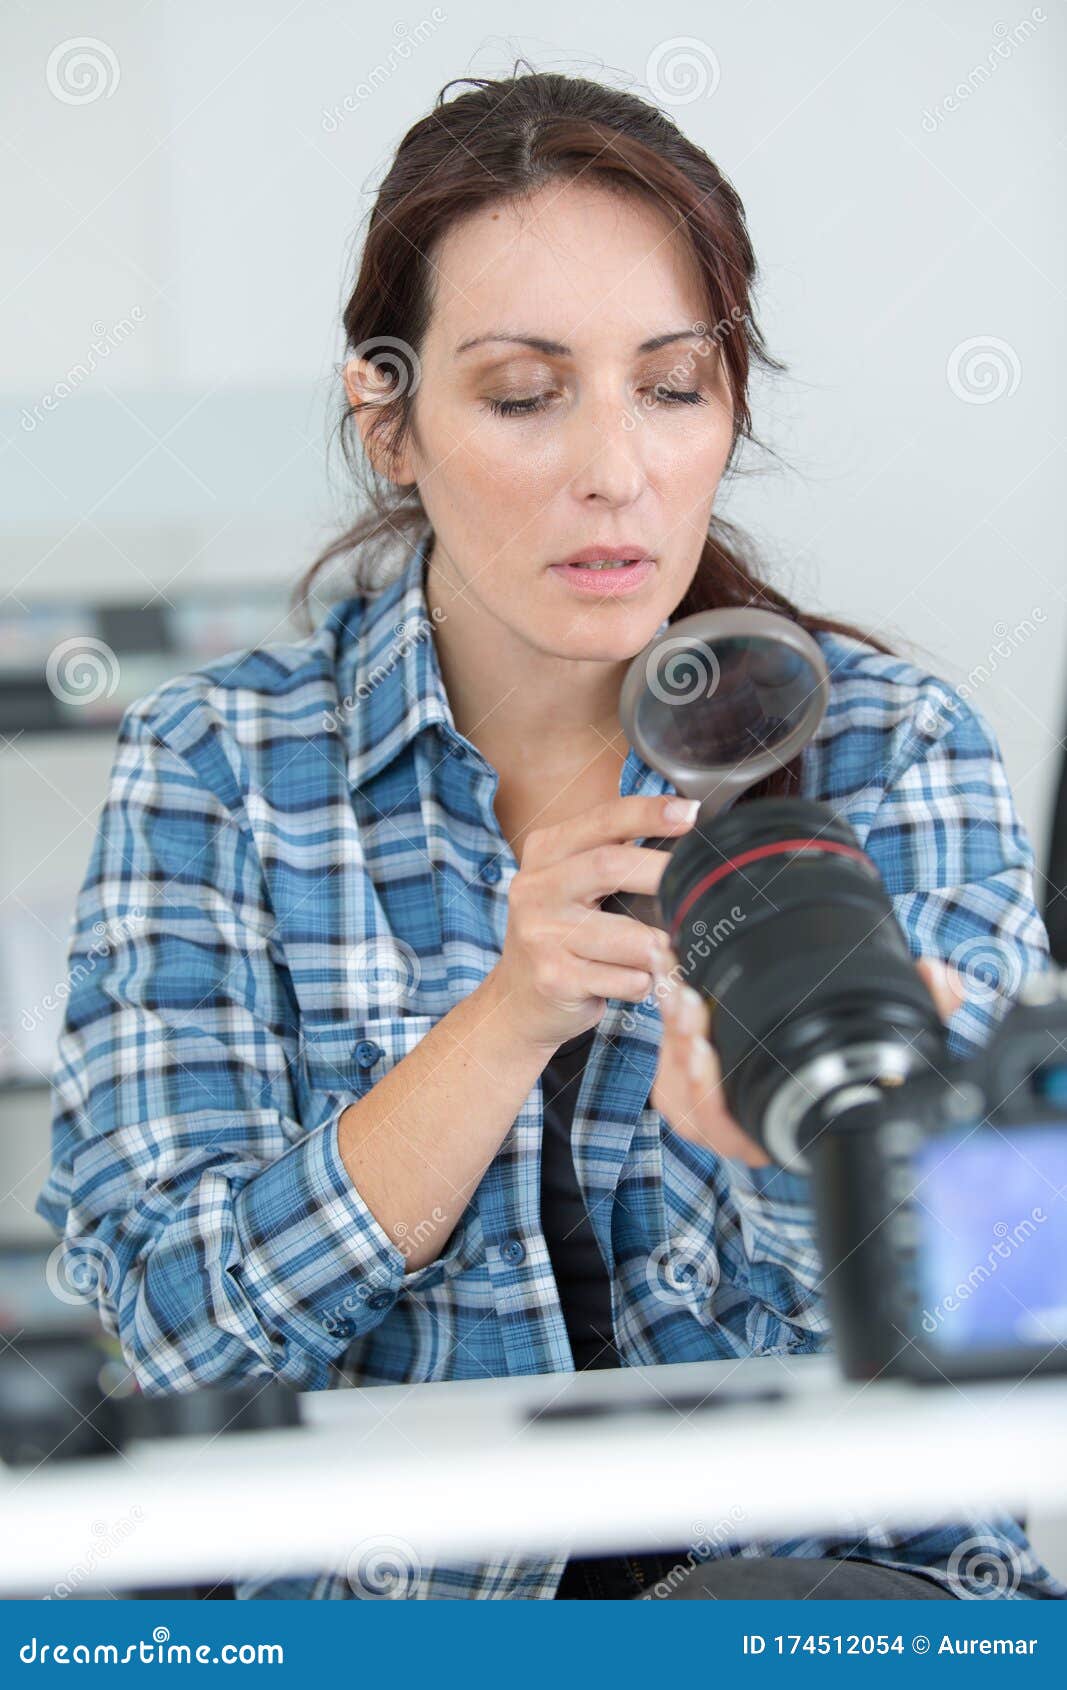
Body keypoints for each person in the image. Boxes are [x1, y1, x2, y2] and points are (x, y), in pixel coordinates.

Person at [37, 69, 1064, 1603]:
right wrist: (503, 1020)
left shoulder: (886, 747)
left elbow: (1003, 1312)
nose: (615, 470)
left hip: (822, 1606)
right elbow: (169, 1338)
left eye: (674, 387)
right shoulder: (222, 768)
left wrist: (804, 1160)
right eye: (525, 395)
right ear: (389, 421)